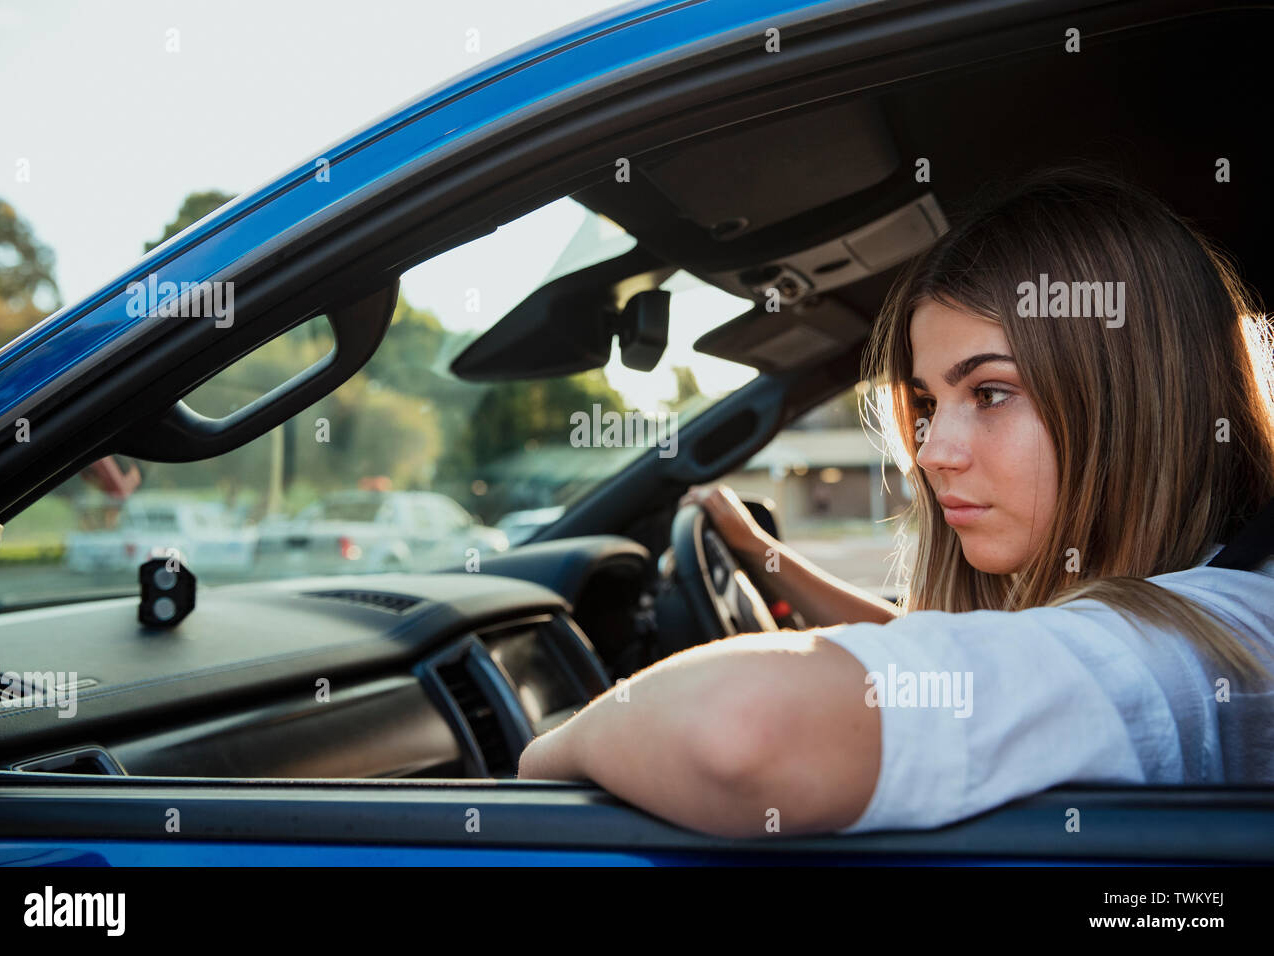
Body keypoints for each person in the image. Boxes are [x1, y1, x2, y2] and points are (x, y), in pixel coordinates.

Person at [516, 167, 1274, 838]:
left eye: (991, 392)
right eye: (925, 403)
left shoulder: (1185, 645)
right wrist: (760, 556)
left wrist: (540, 755)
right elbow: (935, 661)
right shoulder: (1206, 595)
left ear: (1131, 401)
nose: (935, 450)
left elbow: (741, 729)